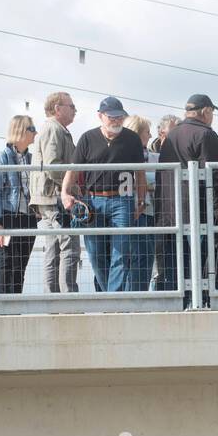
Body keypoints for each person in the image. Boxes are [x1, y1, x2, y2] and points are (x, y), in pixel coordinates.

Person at [60, 96, 148, 293]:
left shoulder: (132, 139)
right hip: (93, 200)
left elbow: (140, 172)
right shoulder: (87, 138)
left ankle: (113, 298)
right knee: (96, 254)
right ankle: (110, 295)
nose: (116, 121)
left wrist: (141, 200)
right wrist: (65, 192)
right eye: (112, 117)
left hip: (122, 201)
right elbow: (73, 169)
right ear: (100, 116)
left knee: (121, 251)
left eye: (120, 117)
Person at [154, 94, 218, 300]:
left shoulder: (171, 136)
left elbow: (162, 175)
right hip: (199, 210)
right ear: (206, 111)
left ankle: (181, 302)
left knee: (177, 262)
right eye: (212, 112)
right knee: (200, 261)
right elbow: (217, 175)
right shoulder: (206, 135)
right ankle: (199, 301)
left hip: (171, 210)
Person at [31, 91, 80, 293]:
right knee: (69, 246)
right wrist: (69, 187)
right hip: (55, 196)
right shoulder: (54, 129)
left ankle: (54, 299)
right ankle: (69, 299)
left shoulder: (53, 129)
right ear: (58, 109)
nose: (75, 110)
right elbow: (53, 166)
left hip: (49, 196)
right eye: (71, 106)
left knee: (54, 248)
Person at [0, 114, 37, 295]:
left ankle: (15, 304)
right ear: (21, 131)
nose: (35, 133)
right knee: (6, 262)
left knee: (21, 264)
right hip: (7, 217)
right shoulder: (3, 157)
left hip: (28, 218)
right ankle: (3, 307)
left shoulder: (32, 158)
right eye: (32, 129)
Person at [125, 115, 156, 291]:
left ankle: (140, 293)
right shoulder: (129, 154)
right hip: (135, 209)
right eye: (147, 132)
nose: (150, 136)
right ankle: (136, 296)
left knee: (146, 255)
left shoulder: (150, 155)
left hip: (148, 210)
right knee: (139, 255)